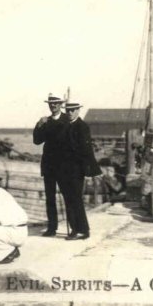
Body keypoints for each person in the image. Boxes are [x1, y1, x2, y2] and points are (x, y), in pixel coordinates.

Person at [33, 93, 71, 236]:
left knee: (68, 196)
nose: (53, 105)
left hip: (64, 166)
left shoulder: (68, 120)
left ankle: (73, 227)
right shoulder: (46, 121)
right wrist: (39, 125)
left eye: (56, 103)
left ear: (61, 104)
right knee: (50, 198)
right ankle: (52, 228)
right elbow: (37, 141)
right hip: (49, 166)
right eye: (51, 103)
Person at [60, 101, 94, 240]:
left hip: (76, 170)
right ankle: (77, 229)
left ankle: (81, 230)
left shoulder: (82, 126)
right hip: (64, 170)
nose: (70, 113)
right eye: (68, 110)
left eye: (73, 110)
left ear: (78, 111)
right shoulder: (64, 126)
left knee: (76, 199)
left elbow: (86, 151)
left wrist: (87, 172)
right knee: (68, 199)